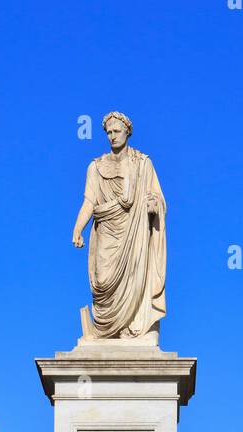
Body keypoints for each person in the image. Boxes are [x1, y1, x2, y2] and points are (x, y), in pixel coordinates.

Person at [72, 111, 167, 341]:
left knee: (135, 279)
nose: (112, 136)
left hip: (134, 236)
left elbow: (158, 198)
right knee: (102, 281)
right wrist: (78, 228)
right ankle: (107, 330)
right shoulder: (95, 167)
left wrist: (154, 205)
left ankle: (133, 326)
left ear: (127, 132)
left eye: (117, 131)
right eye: (109, 132)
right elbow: (89, 201)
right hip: (106, 232)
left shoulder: (142, 164)